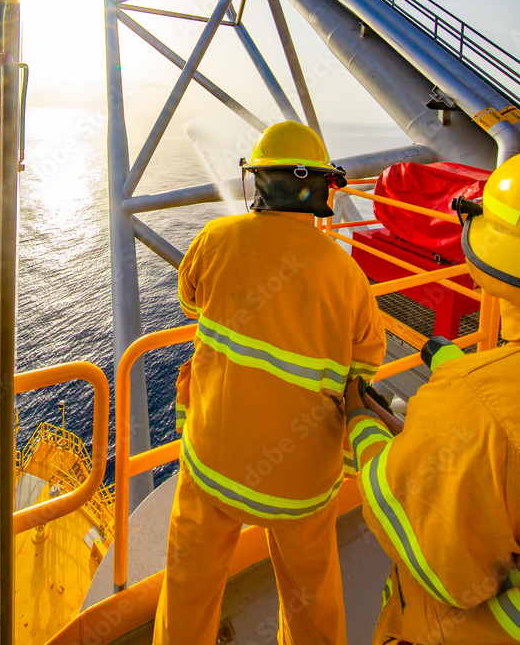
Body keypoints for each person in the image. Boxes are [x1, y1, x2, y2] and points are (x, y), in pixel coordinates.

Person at [152, 121, 387, 645]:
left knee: (188, 590)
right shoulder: (347, 277)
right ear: (325, 189)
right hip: (301, 487)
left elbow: (190, 302)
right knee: (313, 598)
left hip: (214, 465)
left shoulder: (216, 239)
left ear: (257, 181)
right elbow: (365, 364)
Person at [345, 153, 520, 645]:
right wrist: (459, 370)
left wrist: (363, 420)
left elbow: (427, 544)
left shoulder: (473, 400)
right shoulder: (476, 391)